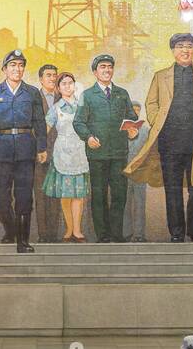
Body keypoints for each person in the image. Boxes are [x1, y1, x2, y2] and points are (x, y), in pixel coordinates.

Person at [127, 32, 193, 242]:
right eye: (180, 46)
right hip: (169, 142)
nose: (185, 50)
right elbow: (151, 103)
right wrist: (158, 121)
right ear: (173, 50)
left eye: (189, 45)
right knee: (172, 190)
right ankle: (177, 233)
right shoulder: (160, 76)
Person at [0, 49, 48, 253]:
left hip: (26, 147)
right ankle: (11, 229)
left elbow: (39, 122)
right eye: (13, 65)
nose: (17, 69)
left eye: (21, 65)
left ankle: (23, 242)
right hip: (1, 148)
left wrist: (42, 147)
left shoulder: (32, 92)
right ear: (4, 69)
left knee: (24, 196)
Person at [73, 53, 138, 243]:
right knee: (99, 195)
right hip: (97, 154)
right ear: (95, 72)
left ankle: (116, 234)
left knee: (119, 194)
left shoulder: (122, 93)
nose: (107, 70)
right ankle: (103, 235)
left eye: (109, 66)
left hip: (119, 153)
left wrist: (132, 129)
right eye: (102, 67)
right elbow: (78, 122)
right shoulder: (87, 95)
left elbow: (131, 118)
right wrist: (88, 137)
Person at [42, 72, 91, 242]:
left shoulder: (82, 106)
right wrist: (39, 147)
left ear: (74, 85)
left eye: (70, 83)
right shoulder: (55, 109)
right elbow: (45, 130)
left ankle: (77, 230)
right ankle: (68, 229)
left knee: (78, 194)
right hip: (62, 153)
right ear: (58, 88)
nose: (68, 86)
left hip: (80, 151)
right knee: (65, 194)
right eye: (64, 84)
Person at [33, 63, 63, 243]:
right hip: (39, 153)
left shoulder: (64, 97)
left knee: (56, 195)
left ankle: (54, 234)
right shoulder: (32, 97)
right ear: (41, 79)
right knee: (41, 194)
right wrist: (38, 148)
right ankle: (43, 235)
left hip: (60, 154)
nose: (52, 78)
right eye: (49, 75)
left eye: (54, 75)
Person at [123, 102, 150, 242]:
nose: (135, 113)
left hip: (140, 172)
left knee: (140, 204)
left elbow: (149, 150)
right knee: (125, 203)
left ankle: (139, 235)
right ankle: (126, 233)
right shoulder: (121, 129)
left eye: (138, 111)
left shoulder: (145, 130)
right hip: (124, 171)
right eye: (133, 110)